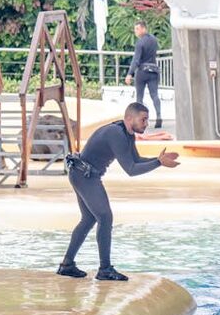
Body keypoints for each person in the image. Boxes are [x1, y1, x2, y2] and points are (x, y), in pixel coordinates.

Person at [57, 102, 180, 281]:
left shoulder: (126, 133)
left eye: (147, 120)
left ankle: (67, 265)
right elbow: (130, 169)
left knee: (89, 219)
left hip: (82, 173)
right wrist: (158, 163)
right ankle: (104, 269)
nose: (146, 124)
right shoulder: (117, 134)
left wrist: (158, 159)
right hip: (84, 175)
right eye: (143, 119)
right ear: (129, 118)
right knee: (105, 217)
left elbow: (136, 159)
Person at [124, 21, 163, 128]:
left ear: (143, 29)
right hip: (153, 70)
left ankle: (139, 121)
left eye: (137, 29)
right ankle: (159, 116)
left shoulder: (140, 43)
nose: (135, 31)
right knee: (154, 94)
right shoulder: (154, 40)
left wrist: (129, 74)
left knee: (139, 97)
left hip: (142, 71)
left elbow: (136, 60)